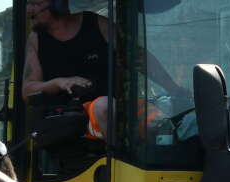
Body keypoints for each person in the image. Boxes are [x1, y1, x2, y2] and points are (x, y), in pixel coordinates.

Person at [22, 0, 187, 141]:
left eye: (35, 4)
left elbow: (138, 57)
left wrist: (174, 88)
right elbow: (27, 90)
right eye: (27, 4)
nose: (28, 10)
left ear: (58, 3)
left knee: (163, 121)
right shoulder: (36, 40)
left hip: (118, 110)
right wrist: (59, 83)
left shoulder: (97, 25)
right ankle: (120, 161)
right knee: (104, 106)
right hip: (71, 119)